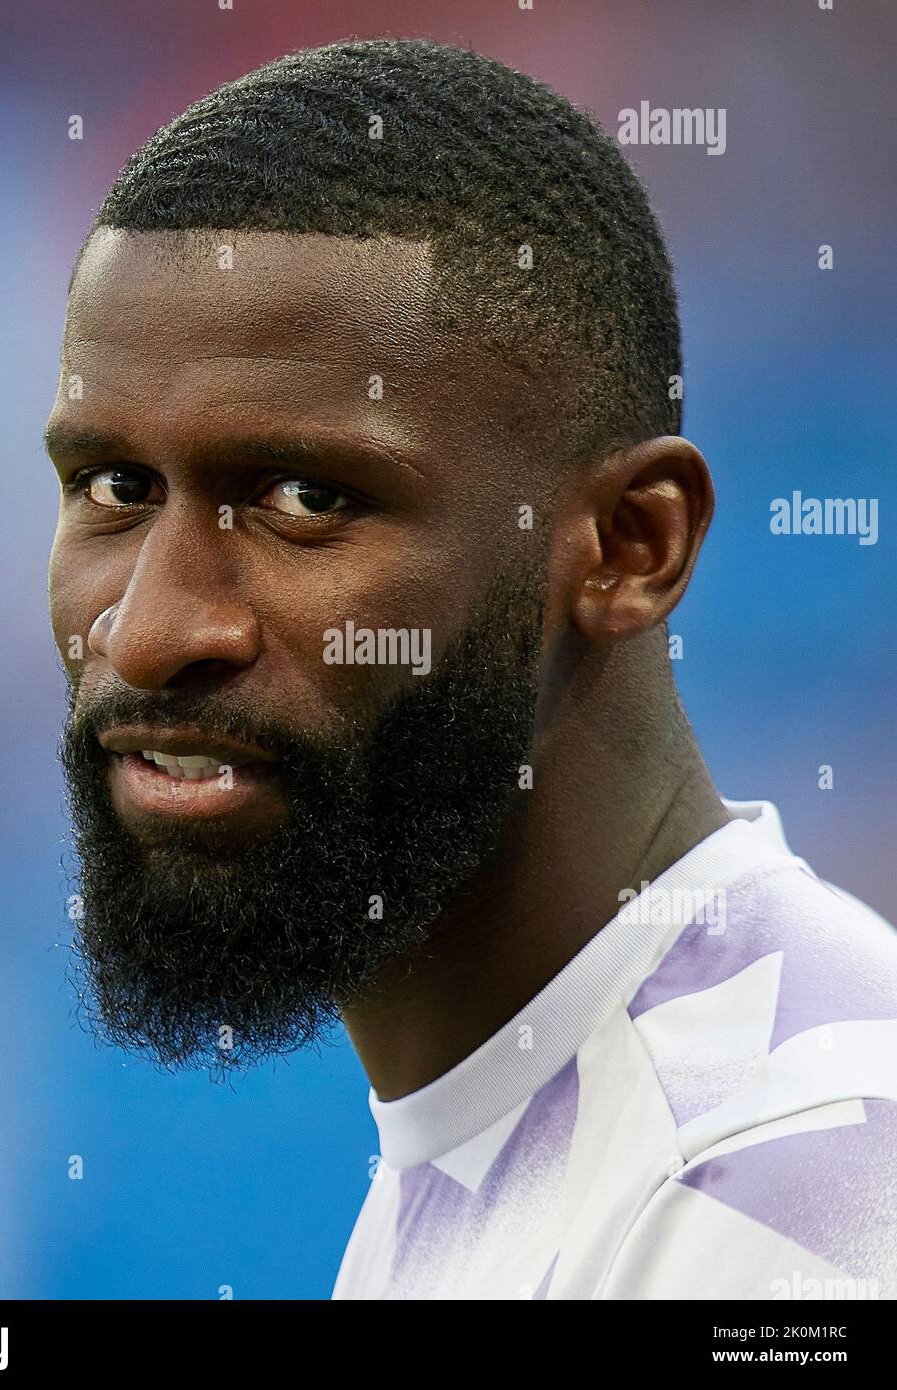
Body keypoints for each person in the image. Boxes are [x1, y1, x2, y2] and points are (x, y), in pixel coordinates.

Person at [44, 37, 897, 1299]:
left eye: (303, 497)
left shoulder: (777, 1199)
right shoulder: (513, 1126)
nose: (152, 629)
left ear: (628, 545)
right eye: (115, 487)